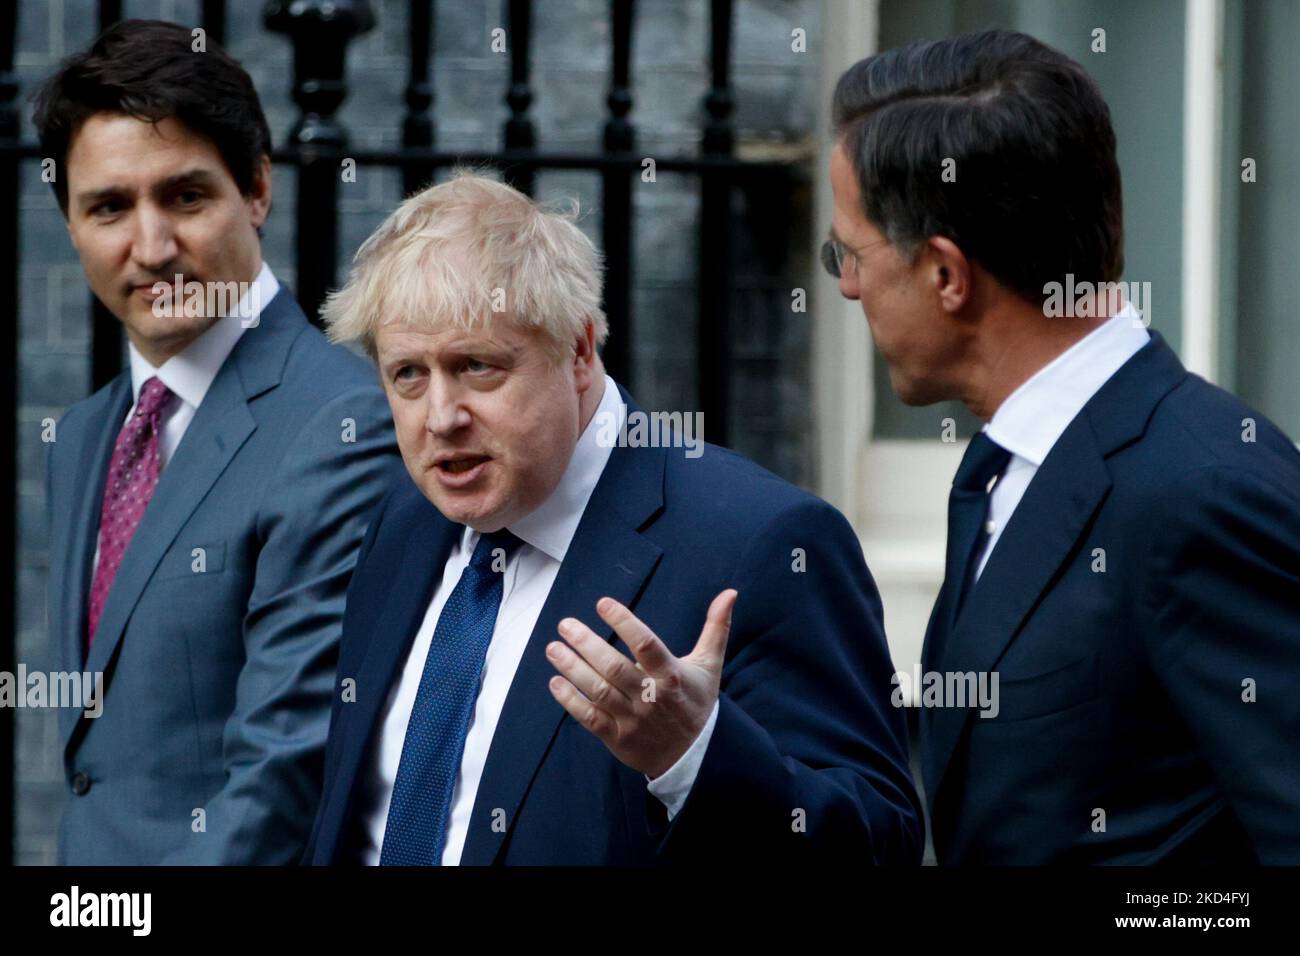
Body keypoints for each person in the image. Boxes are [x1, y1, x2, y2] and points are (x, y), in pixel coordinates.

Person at [303, 172, 922, 865]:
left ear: (577, 349)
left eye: (476, 366)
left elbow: (876, 843)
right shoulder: (405, 521)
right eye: (408, 375)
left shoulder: (764, 540)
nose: (440, 418)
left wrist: (693, 755)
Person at [826, 29, 1300, 863]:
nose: (846, 284)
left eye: (851, 252)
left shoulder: (1206, 491)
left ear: (946, 274)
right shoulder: (1003, 467)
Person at [35, 19, 399, 864]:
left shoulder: (341, 425)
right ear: (72, 224)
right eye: (110, 207)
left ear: (259, 190)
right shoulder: (84, 438)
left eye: (186, 196)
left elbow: (285, 773)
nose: (153, 247)